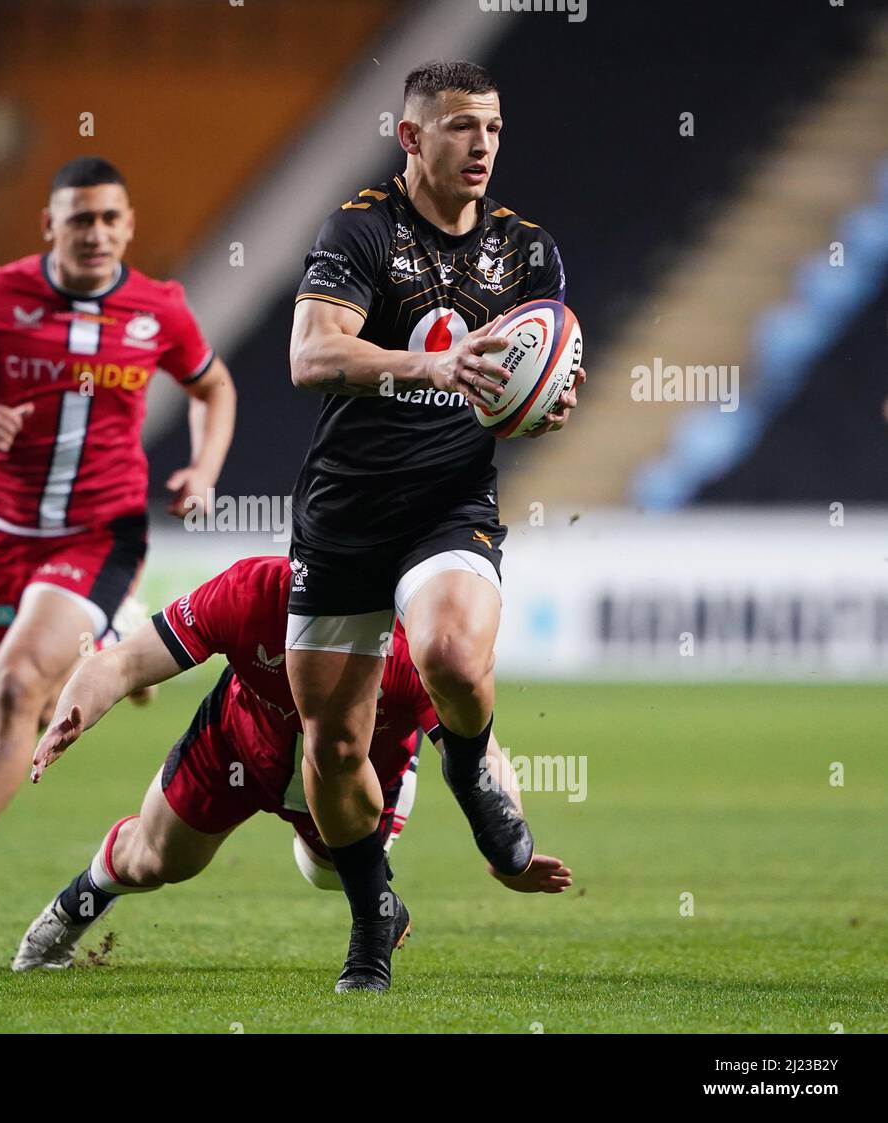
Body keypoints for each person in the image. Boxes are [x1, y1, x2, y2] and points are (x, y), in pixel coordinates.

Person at [0, 157, 236, 922]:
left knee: (17, 682)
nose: (95, 234)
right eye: (79, 219)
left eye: (109, 218)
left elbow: (212, 385)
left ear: (128, 225)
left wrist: (203, 468)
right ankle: (121, 641)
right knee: (16, 710)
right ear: (49, 225)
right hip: (2, 539)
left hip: (101, 532)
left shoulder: (157, 307)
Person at [284, 60, 585, 990]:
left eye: (492, 126)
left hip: (451, 504)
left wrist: (555, 396)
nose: (483, 143)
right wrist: (437, 371)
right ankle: (373, 919)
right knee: (333, 746)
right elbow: (311, 355)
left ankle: (463, 764)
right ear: (412, 138)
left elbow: (558, 359)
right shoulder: (362, 227)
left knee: (453, 656)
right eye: (461, 126)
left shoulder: (527, 250)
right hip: (345, 512)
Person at [13, 556, 573, 972]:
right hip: (234, 742)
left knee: (326, 873)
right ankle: (73, 907)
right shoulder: (251, 591)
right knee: (155, 861)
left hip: (356, 781)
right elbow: (127, 662)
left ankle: (370, 878)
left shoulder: (406, 650)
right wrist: (74, 712)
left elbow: (483, 758)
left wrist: (508, 846)